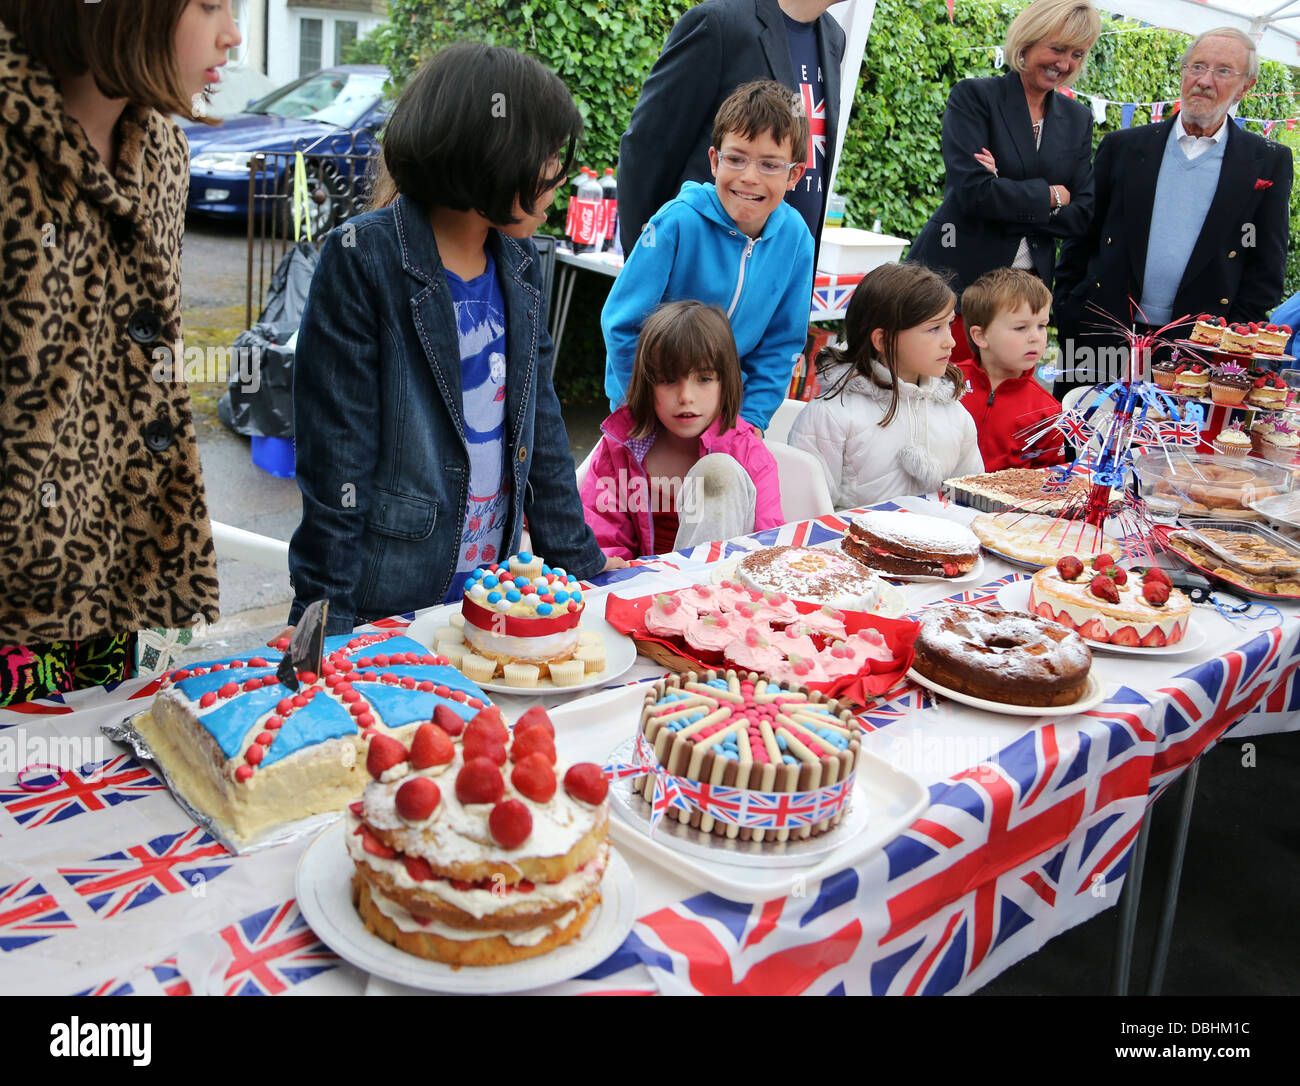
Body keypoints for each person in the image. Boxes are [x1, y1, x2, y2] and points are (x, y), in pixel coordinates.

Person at [283, 43, 621, 639]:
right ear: (493, 154)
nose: (558, 176)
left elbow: (540, 427)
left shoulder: (519, 263)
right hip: (383, 604)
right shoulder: (366, 259)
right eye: (545, 155)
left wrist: (584, 568)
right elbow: (336, 460)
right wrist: (322, 620)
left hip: (488, 598)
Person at [0, 0, 240, 707]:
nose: (232, 34)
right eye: (209, 5)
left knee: (100, 803)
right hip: (18, 615)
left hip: (134, 588)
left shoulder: (164, 151)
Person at [1053, 27, 1294, 395]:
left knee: (1171, 449)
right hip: (1101, 331)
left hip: (1197, 350)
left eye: (1223, 71)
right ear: (1182, 72)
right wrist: (1071, 311)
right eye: (1196, 66)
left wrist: (1230, 341)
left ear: (1246, 86)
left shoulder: (1267, 162)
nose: (1205, 81)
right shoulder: (1123, 147)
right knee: (1084, 440)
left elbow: (1267, 264)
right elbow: (1081, 237)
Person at [602, 80, 815, 434]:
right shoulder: (677, 222)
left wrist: (750, 423)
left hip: (726, 421)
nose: (749, 177)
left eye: (769, 165)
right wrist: (640, 409)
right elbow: (622, 324)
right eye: (736, 159)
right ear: (714, 160)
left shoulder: (797, 241)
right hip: (649, 413)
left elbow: (781, 346)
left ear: (794, 174)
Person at [908, 0, 1101, 366]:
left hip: (1026, 300)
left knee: (1005, 406)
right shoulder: (975, 97)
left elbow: (1082, 216)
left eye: (1077, 53)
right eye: (1057, 48)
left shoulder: (1078, 119)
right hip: (956, 285)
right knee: (938, 393)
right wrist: (1052, 195)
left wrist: (1006, 188)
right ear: (1026, 43)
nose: (1065, 63)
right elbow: (974, 194)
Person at [616, 0, 846, 260]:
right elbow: (646, 152)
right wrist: (646, 263)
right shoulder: (720, 24)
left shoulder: (833, 38)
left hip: (781, 275)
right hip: (697, 270)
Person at [581, 301, 784, 560]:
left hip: (723, 590)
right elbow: (605, 548)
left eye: (704, 379)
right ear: (647, 385)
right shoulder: (619, 450)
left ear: (726, 383)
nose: (686, 396)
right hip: (641, 592)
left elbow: (767, 551)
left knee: (718, 470)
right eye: (667, 380)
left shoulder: (748, 454)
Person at [788, 263, 983, 509]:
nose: (951, 341)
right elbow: (805, 513)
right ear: (882, 339)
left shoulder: (956, 416)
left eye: (949, 325)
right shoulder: (830, 415)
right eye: (934, 328)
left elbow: (970, 502)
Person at [957, 267, 1065, 472]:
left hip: (1005, 503)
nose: (1036, 337)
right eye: (1020, 328)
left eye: (1042, 325)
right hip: (937, 498)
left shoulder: (1047, 410)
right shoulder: (946, 381)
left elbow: (1049, 478)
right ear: (980, 336)